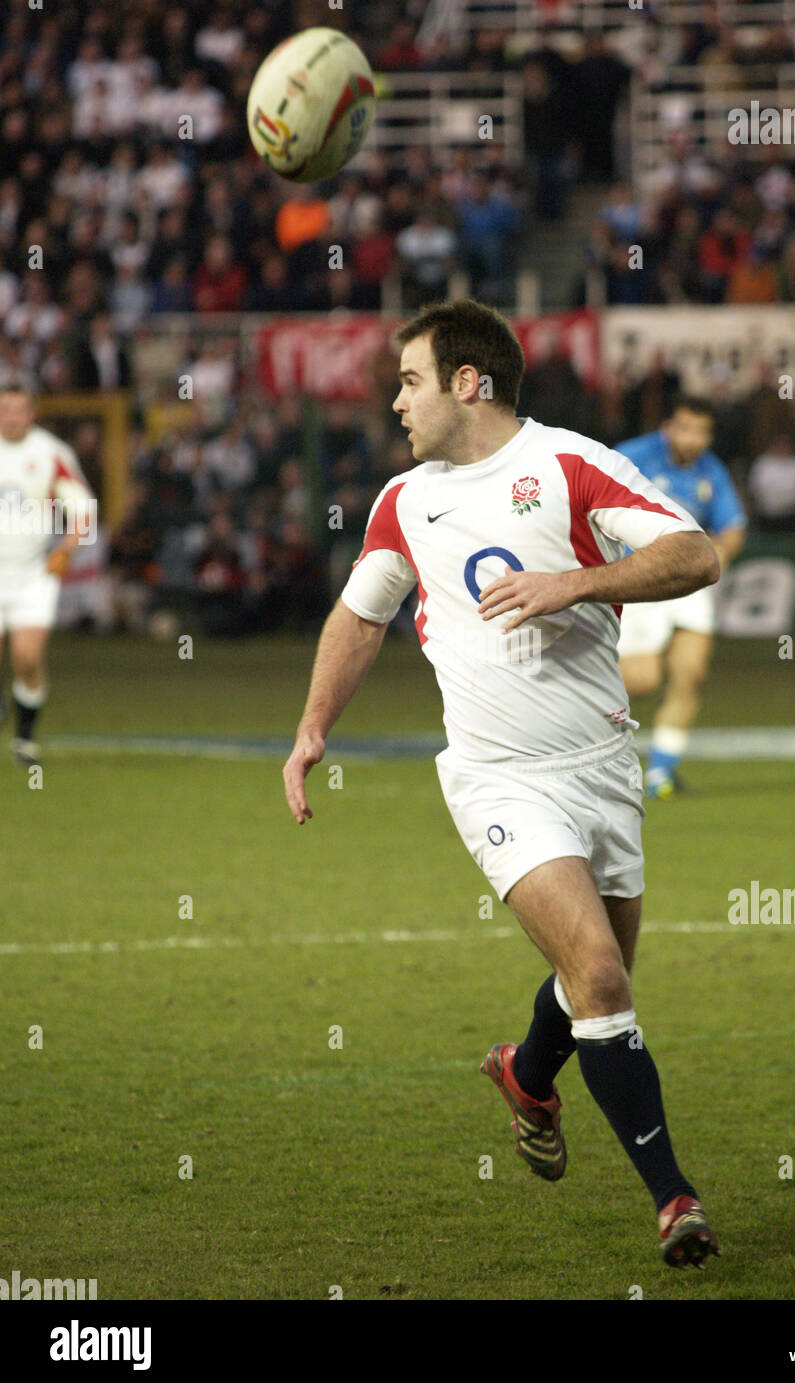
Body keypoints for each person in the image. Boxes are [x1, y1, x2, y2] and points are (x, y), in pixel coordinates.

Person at [283, 300, 722, 1270]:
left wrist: (576, 581)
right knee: (600, 977)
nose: (395, 400)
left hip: (601, 767)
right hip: (495, 778)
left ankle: (524, 1073)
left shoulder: (566, 465)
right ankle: (673, 1199)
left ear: (467, 383)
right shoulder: (404, 501)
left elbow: (695, 553)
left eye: (409, 380)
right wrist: (313, 727)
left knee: (597, 977)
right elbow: (359, 620)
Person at [615, 397, 746, 798]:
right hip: (640, 579)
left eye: (702, 431)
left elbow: (733, 526)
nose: (693, 439)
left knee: (691, 674)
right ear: (668, 427)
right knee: (642, 679)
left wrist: (720, 553)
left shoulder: (712, 471)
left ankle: (660, 776)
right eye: (685, 428)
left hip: (687, 583)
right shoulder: (630, 457)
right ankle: (566, 698)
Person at [0, 379, 95, 763]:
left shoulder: (51, 452)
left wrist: (68, 547)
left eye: (18, 410)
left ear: (31, 414)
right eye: (4, 410)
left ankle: (24, 738)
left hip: (34, 571)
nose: (11, 418)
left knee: (26, 657)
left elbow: (83, 507)